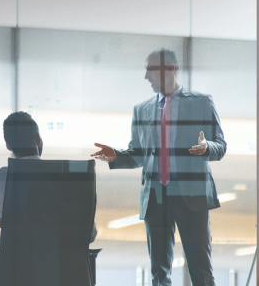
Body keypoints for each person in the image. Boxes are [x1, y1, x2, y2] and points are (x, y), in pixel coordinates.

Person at [92, 48, 227, 286]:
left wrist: (207, 147)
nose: (146, 77)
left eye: (150, 70)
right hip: (155, 198)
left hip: (192, 196)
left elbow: (221, 146)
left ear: (170, 69)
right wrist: (116, 156)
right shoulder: (141, 110)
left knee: (201, 269)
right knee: (159, 273)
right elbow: (138, 155)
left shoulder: (202, 102)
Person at [0, 111, 97, 243]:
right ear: (38, 138)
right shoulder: (69, 177)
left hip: (20, 256)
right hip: (64, 255)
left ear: (8, 146)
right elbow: (90, 233)